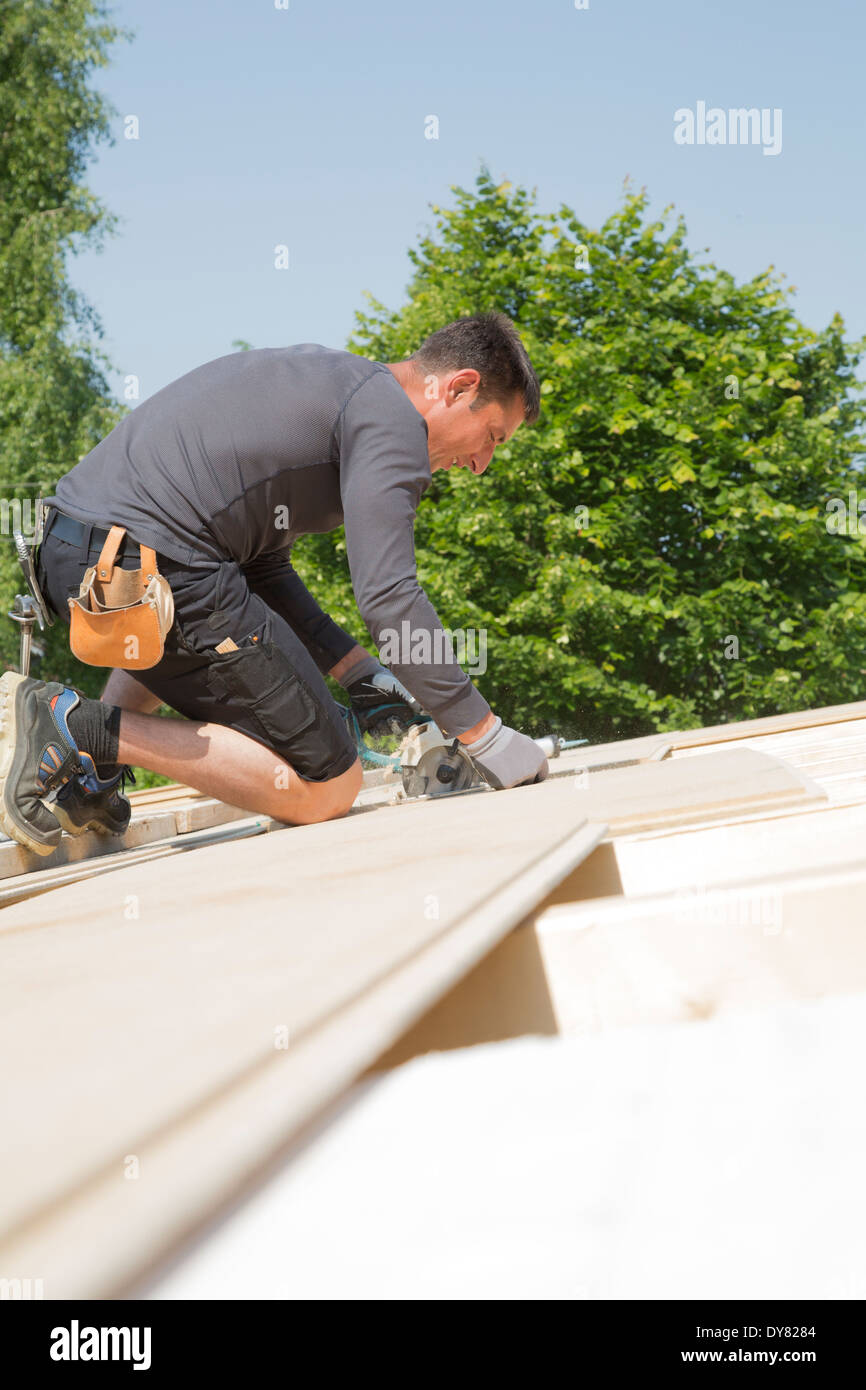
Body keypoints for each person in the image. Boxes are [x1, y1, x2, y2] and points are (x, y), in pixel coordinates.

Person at [0, 312, 549, 857]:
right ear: (459, 387)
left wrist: (356, 671)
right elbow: (389, 596)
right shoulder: (393, 420)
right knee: (329, 786)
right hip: (149, 562)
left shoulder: (342, 383)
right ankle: (76, 726)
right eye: (492, 436)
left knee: (189, 619)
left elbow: (260, 571)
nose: (481, 463)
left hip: (79, 551)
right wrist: (485, 735)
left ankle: (92, 774)